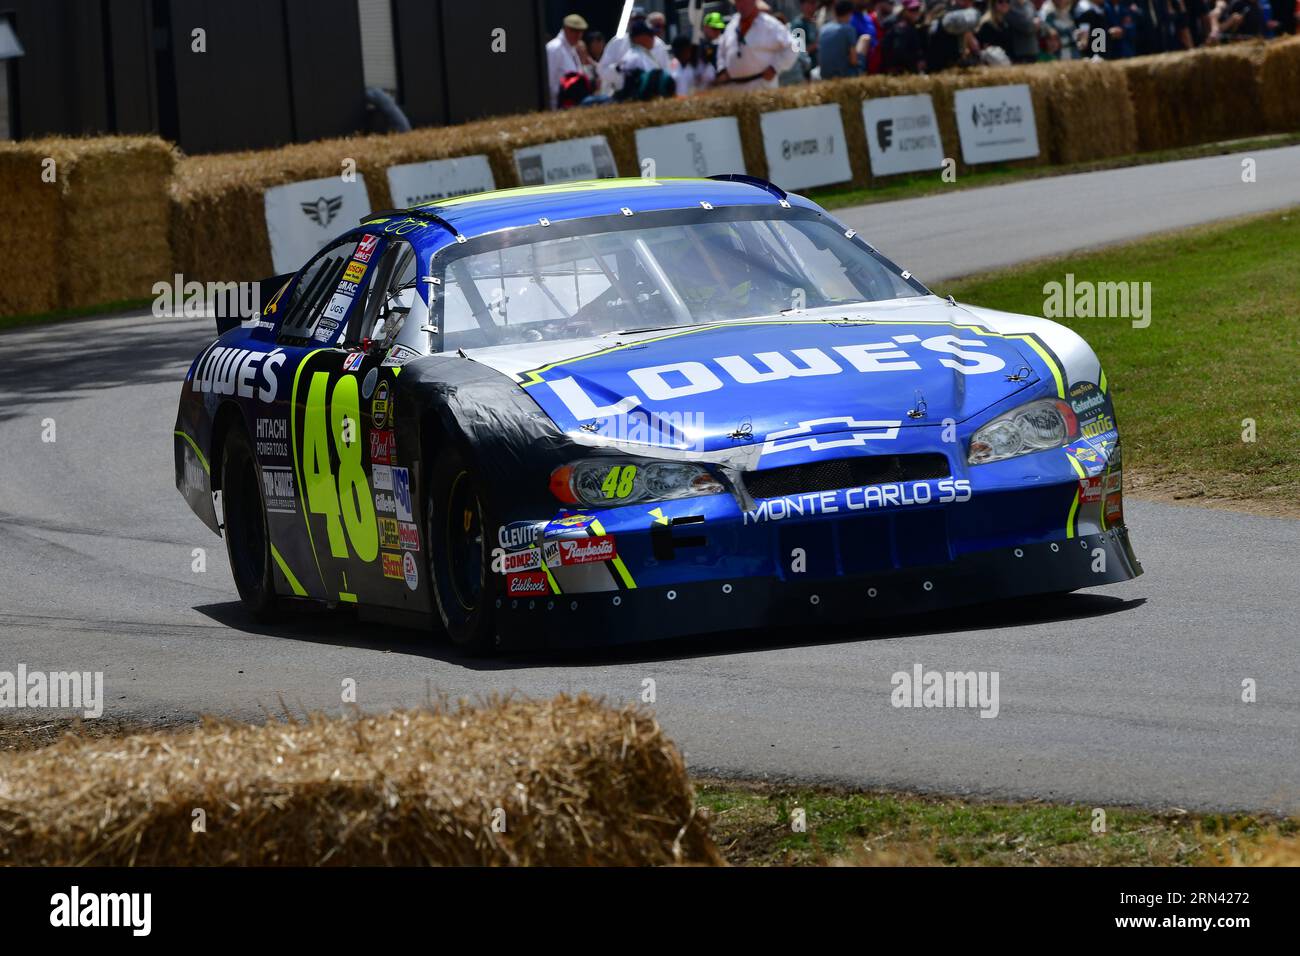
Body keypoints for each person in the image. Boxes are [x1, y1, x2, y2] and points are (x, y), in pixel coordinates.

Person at [715, 0, 799, 91]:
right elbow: (721, 50)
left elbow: (792, 46)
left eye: (745, 1)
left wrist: (775, 68)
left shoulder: (769, 24)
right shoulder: (732, 25)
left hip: (761, 86)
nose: (742, 4)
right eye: (738, 1)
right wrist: (722, 68)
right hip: (733, 88)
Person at [598, 11, 671, 93]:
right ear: (629, 22)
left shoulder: (658, 44)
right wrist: (618, 70)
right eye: (635, 20)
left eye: (641, 20)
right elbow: (602, 69)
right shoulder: (618, 41)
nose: (637, 23)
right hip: (615, 92)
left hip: (648, 93)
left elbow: (665, 69)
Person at [546, 13, 591, 110]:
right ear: (566, 29)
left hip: (574, 106)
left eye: (580, 31)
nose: (578, 35)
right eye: (574, 31)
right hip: (558, 108)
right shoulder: (554, 48)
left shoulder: (572, 49)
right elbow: (549, 81)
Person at [819, 0, 863, 76]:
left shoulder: (823, 29)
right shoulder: (848, 29)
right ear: (849, 13)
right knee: (865, 39)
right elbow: (854, 61)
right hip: (843, 75)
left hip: (824, 74)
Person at [882, 0, 928, 71]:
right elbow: (899, 53)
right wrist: (916, 62)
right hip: (900, 71)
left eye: (917, 9)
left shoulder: (913, 24)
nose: (916, 12)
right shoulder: (898, 26)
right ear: (904, 10)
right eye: (912, 9)